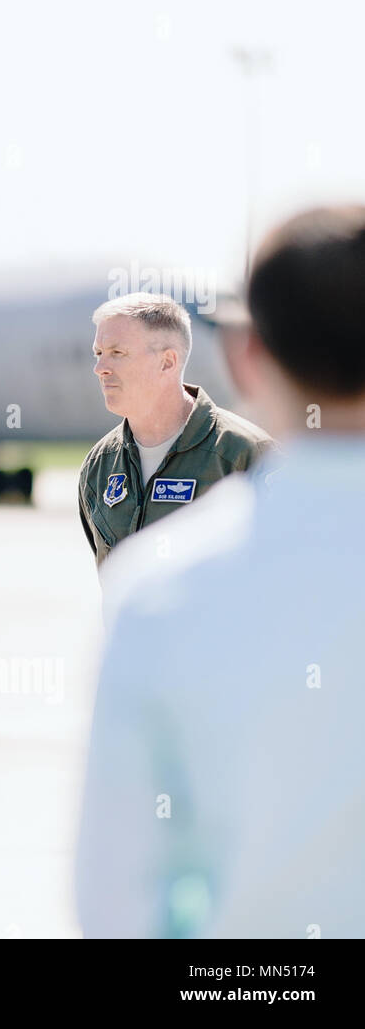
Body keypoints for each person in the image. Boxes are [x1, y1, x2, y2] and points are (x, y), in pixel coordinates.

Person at [76, 206, 365, 937]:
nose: (102, 366)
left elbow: (119, 894)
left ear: (244, 356)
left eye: (117, 352)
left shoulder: (161, 590)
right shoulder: (104, 483)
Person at [78, 292, 273, 568]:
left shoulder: (246, 454)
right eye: (99, 353)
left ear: (167, 362)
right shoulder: (99, 466)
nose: (100, 368)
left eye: (117, 353)